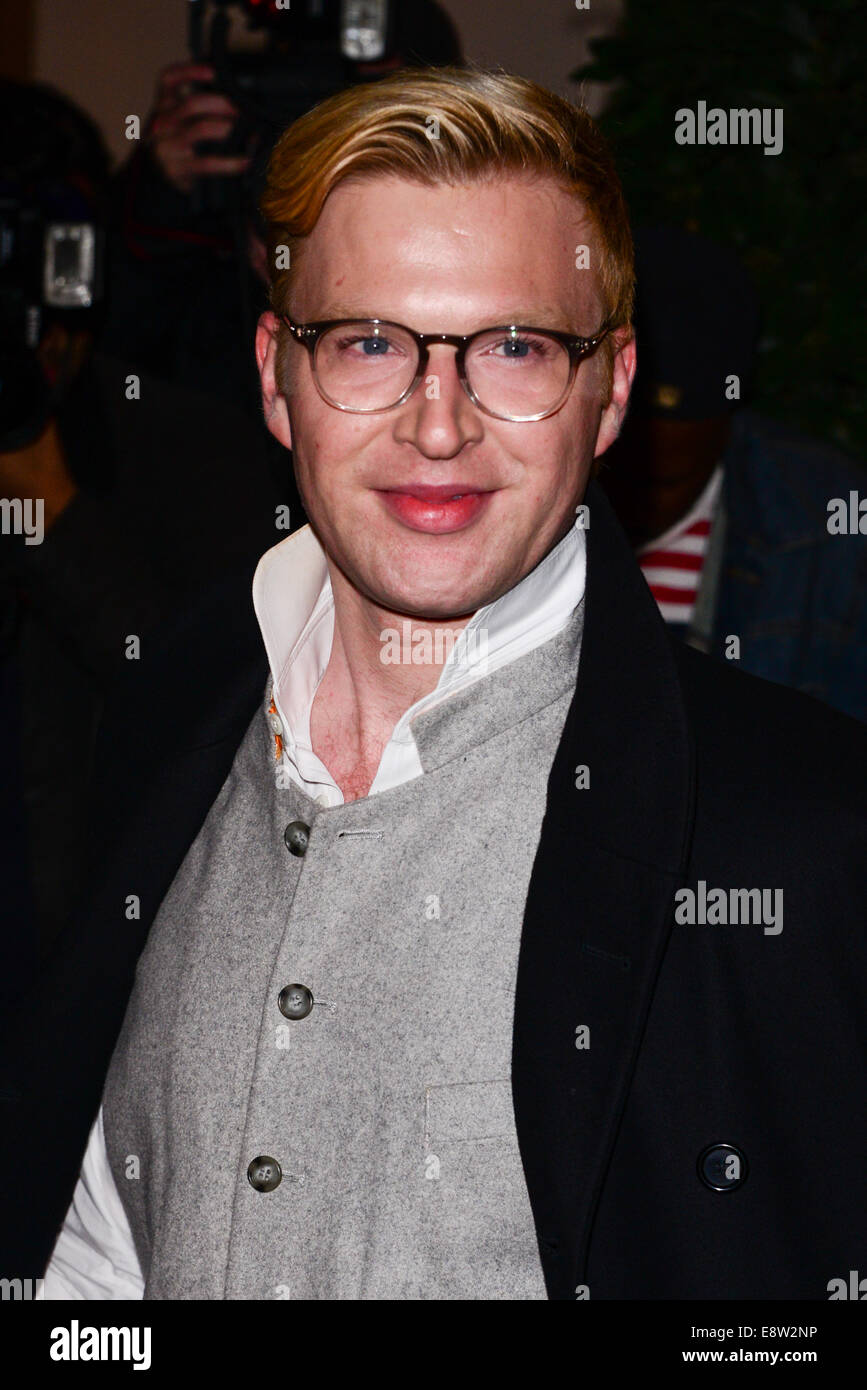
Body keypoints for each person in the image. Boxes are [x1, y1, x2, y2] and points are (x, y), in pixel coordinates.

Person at [2, 67, 865, 1300]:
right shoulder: (159, 716)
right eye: (368, 342)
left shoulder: (801, 839)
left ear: (610, 388)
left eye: (513, 347)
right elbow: (99, 1243)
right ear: (274, 376)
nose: (439, 423)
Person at [601, 226, 867, 721]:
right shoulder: (516, 490)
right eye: (610, 461)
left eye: (661, 481)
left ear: (727, 423)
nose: (627, 494)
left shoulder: (823, 528)